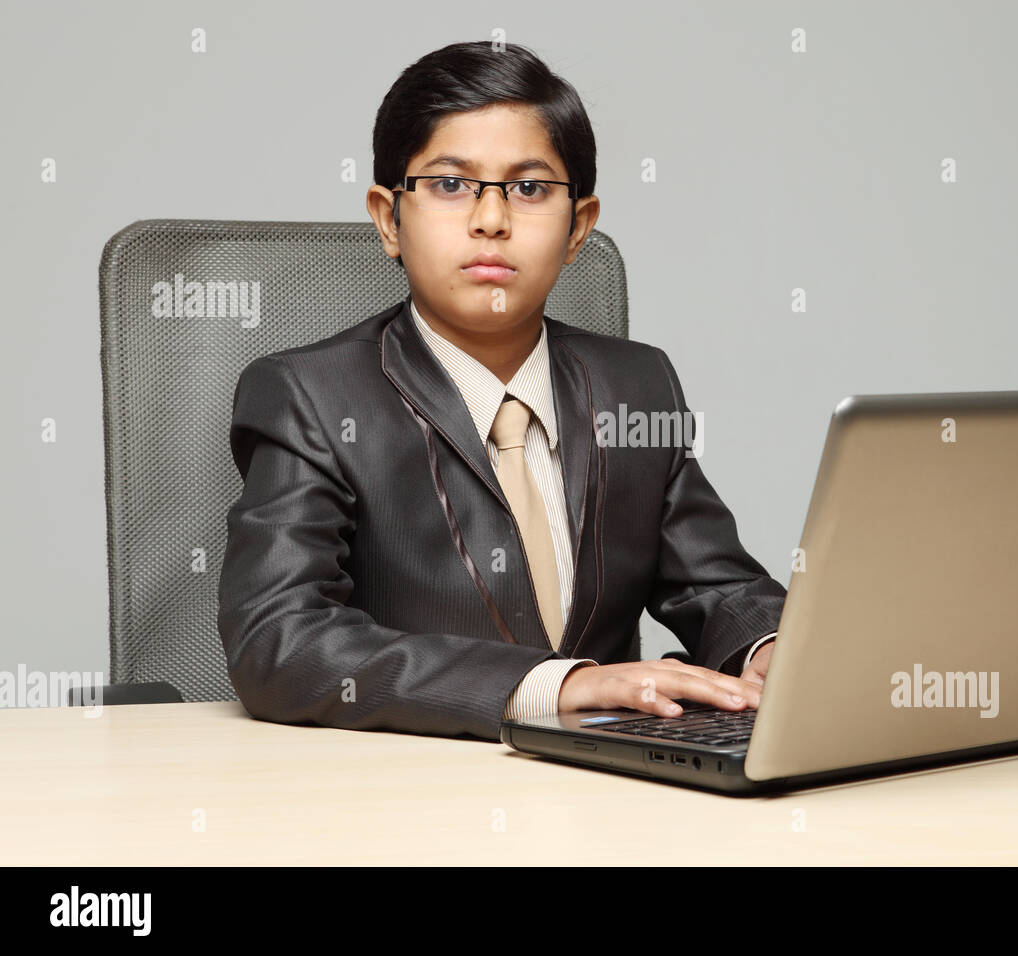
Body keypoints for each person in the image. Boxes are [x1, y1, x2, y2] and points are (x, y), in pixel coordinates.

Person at [217, 40, 785, 742]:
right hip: (405, 792)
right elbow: (281, 641)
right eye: (451, 184)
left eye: (530, 188)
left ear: (579, 226)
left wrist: (770, 649)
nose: (492, 219)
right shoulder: (310, 396)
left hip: (610, 792)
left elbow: (715, 584)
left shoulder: (637, 385)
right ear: (389, 219)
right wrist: (556, 686)